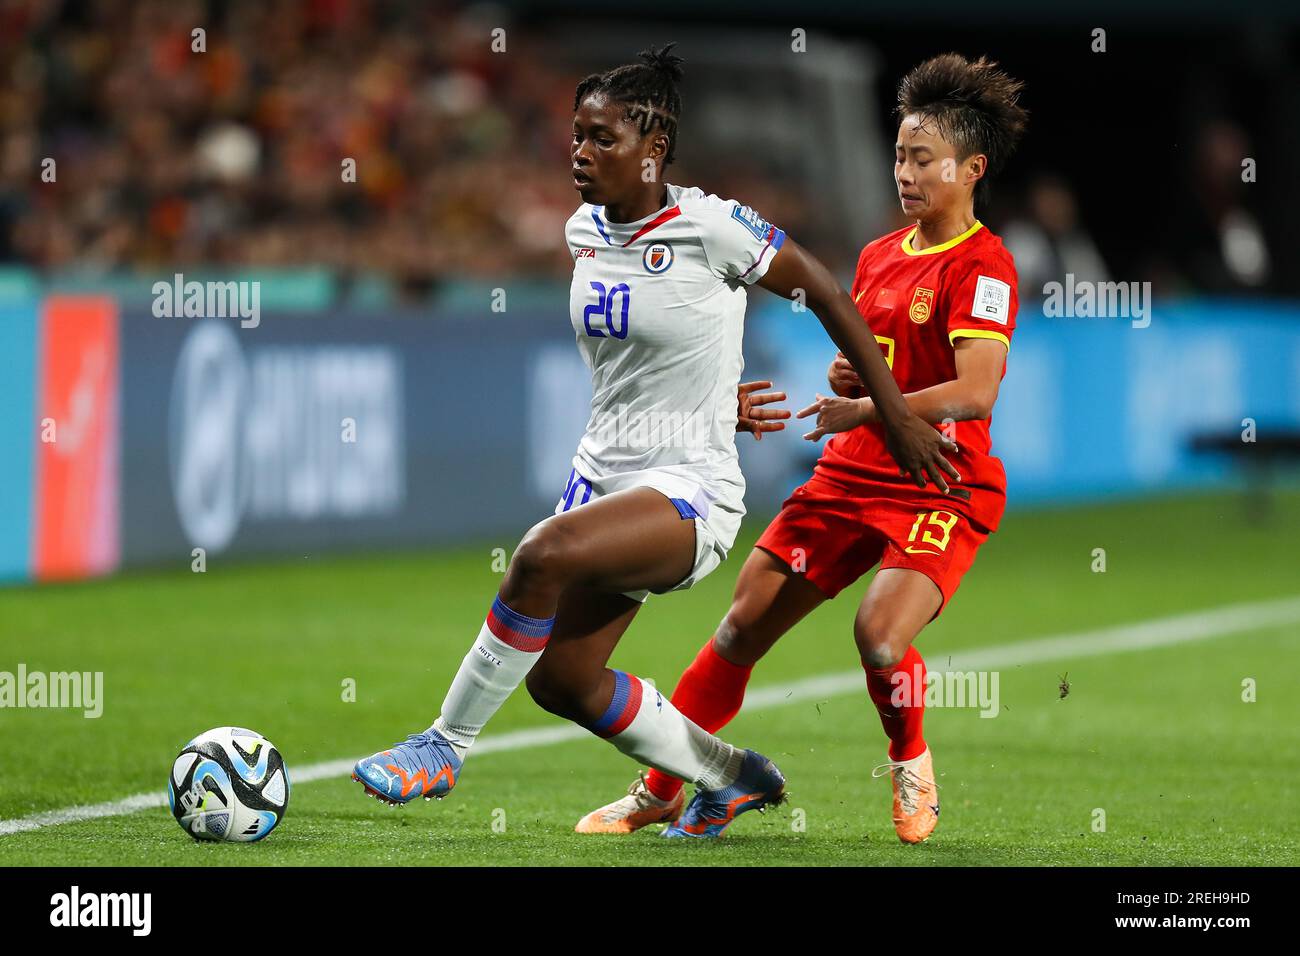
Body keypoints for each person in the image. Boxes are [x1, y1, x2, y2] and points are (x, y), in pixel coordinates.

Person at [351, 44, 958, 838]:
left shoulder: (711, 225)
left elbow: (829, 295)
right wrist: (714, 399)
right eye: (577, 135)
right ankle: (727, 775)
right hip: (601, 476)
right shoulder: (583, 230)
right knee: (563, 682)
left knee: (540, 555)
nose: (581, 153)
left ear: (654, 150)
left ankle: (443, 744)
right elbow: (647, 352)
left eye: (604, 138)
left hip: (690, 493)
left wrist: (898, 412)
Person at [575, 52, 1027, 843]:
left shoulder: (985, 266)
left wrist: (863, 406)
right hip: (850, 477)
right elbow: (874, 362)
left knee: (879, 636)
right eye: (897, 155)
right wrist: (851, 376)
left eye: (923, 159)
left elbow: (974, 392)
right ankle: (666, 788)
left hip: (938, 483)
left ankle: (912, 762)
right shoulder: (880, 256)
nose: (904, 172)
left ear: (971, 168)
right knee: (741, 626)